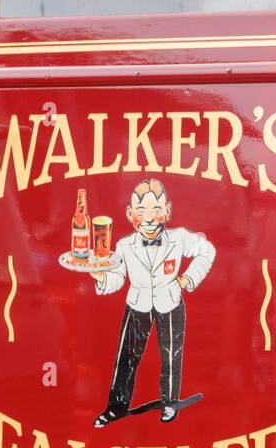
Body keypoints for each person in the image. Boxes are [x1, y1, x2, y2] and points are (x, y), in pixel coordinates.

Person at [90, 179, 215, 426]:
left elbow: (207, 250)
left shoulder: (178, 238)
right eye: (141, 211)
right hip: (137, 303)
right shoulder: (125, 245)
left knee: (171, 355)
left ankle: (169, 404)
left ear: (167, 211)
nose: (149, 219)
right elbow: (117, 277)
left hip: (170, 301)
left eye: (156, 211)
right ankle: (116, 407)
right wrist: (102, 278)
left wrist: (188, 279)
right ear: (130, 214)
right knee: (126, 356)